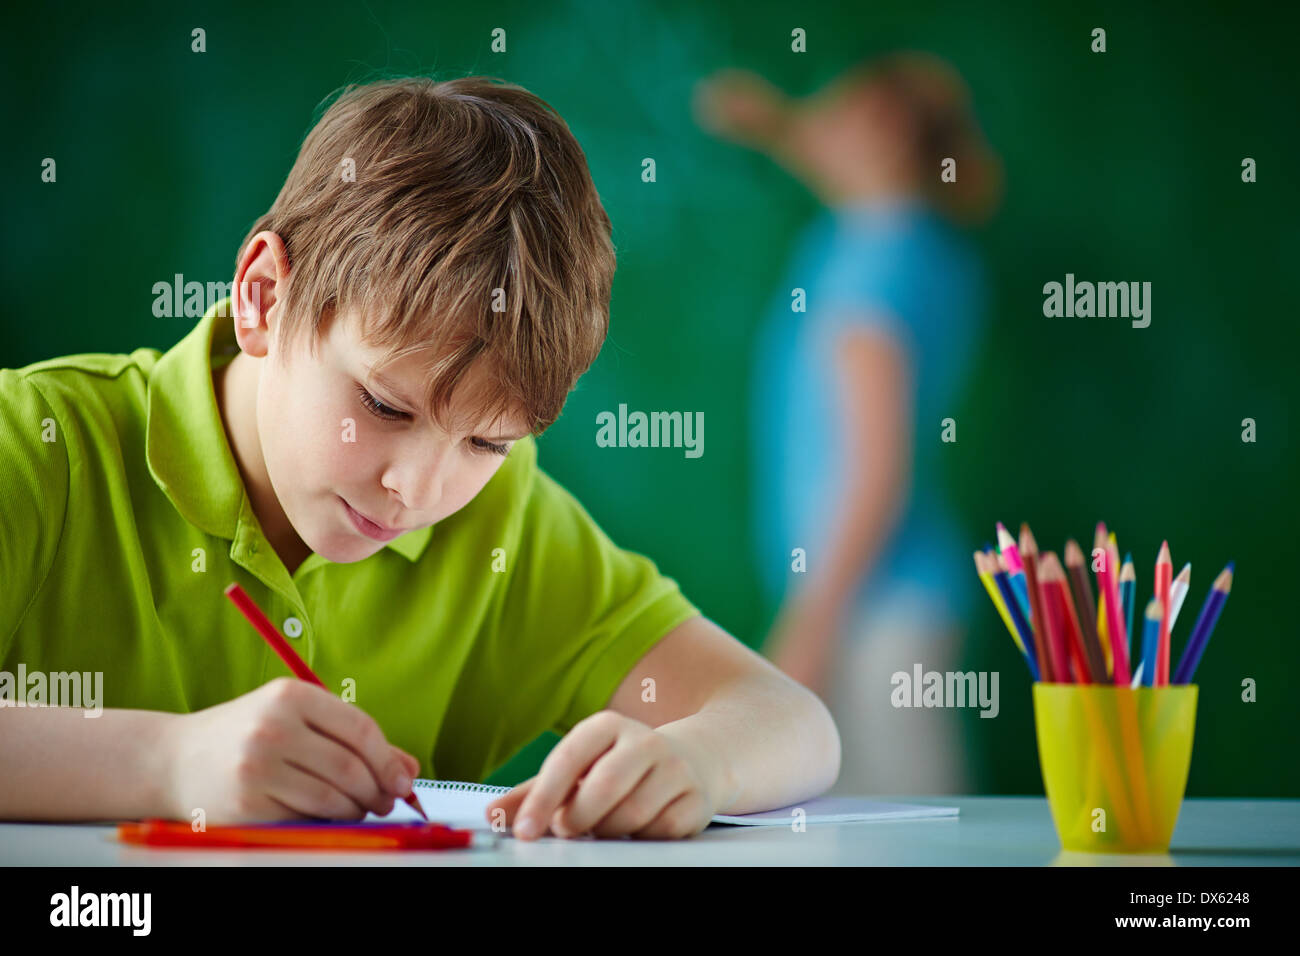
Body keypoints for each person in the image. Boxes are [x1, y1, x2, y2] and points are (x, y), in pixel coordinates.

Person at [0, 76, 840, 837]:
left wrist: (696, 762)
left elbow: (790, 719)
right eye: (383, 405)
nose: (417, 489)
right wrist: (167, 763)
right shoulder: (38, 445)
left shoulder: (503, 523)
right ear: (263, 297)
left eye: (486, 442)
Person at [696, 53, 1003, 794]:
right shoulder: (915, 243)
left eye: (833, 113)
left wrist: (809, 632)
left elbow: (876, 471)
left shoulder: (875, 266)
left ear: (884, 134)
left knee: (911, 846)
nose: (814, 129)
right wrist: (772, 118)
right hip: (886, 603)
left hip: (869, 615)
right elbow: (816, 143)